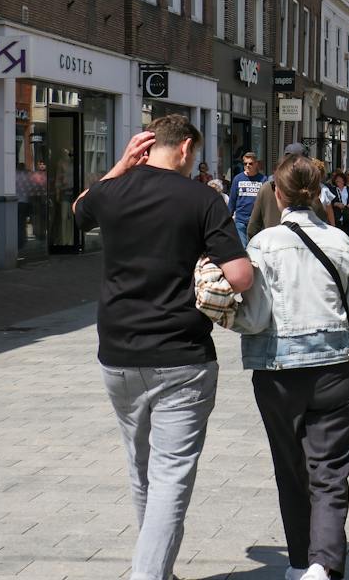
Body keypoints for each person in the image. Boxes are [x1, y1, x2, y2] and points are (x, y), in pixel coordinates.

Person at [73, 115, 254, 580]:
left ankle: (157, 569)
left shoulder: (113, 191)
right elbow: (240, 276)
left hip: (118, 351)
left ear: (146, 147)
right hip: (181, 354)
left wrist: (120, 165)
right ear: (186, 148)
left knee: (141, 467)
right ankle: (149, 574)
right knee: (171, 474)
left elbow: (79, 210)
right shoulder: (202, 199)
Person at [235, 155, 349, 580]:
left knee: (291, 467)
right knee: (330, 472)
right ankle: (323, 563)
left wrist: (225, 311)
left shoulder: (262, 245)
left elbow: (254, 318)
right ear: (317, 194)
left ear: (277, 193)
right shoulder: (339, 242)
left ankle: (300, 562)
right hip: (334, 367)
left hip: (278, 371)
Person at [247, 144, 331, 239]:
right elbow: (322, 221)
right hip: (302, 245)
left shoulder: (266, 188)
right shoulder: (308, 190)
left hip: (272, 244)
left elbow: (252, 228)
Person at [229, 152, 264, 245]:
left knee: (255, 247)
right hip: (240, 220)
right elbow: (232, 200)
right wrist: (228, 219)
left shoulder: (263, 180)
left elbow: (265, 201)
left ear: (256, 164)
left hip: (256, 221)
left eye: (250, 163)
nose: (247, 165)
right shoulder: (237, 179)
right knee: (243, 248)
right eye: (245, 163)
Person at [329, 172, 349, 246]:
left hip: (348, 214)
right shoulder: (332, 190)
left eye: (340, 180)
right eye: (337, 180)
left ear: (343, 181)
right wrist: (336, 204)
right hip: (337, 215)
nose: (338, 181)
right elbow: (329, 202)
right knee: (339, 233)